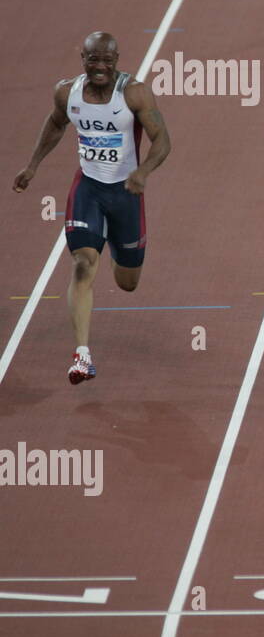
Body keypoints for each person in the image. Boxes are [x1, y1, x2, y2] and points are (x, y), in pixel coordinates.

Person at [12, 32, 171, 383]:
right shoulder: (66, 92)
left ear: (117, 60)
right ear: (82, 58)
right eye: (93, 59)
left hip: (127, 194)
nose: (100, 66)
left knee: (127, 282)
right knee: (83, 263)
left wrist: (143, 172)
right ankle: (82, 356)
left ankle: (116, 243)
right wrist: (33, 165)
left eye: (107, 60)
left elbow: (163, 139)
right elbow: (56, 123)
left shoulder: (133, 93)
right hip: (88, 189)